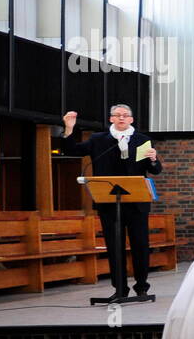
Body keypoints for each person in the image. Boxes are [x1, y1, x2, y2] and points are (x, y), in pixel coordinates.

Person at [61, 103, 163, 300]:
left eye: (126, 115)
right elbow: (71, 149)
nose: (122, 118)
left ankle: (142, 287)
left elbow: (155, 170)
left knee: (140, 245)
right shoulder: (99, 140)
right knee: (114, 247)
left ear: (131, 119)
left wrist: (153, 159)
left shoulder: (143, 140)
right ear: (111, 119)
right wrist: (69, 128)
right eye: (117, 115)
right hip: (109, 203)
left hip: (136, 203)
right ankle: (120, 288)